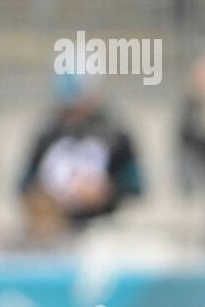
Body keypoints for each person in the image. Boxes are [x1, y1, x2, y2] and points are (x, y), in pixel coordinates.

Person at [19, 69, 142, 241]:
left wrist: (106, 192)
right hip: (54, 233)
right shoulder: (47, 135)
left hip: (102, 232)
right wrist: (45, 198)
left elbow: (135, 186)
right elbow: (23, 185)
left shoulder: (115, 135)